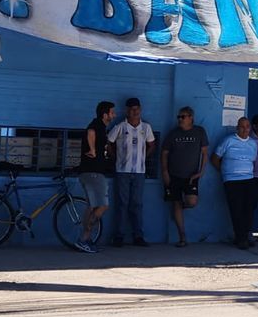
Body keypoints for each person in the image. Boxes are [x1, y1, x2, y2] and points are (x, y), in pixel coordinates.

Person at [107, 98, 155, 247]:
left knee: (137, 204)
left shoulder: (146, 127)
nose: (135, 111)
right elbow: (108, 142)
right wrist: (116, 157)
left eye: (137, 108)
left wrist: (143, 157)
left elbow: (152, 144)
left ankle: (138, 236)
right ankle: (119, 237)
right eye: (132, 109)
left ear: (140, 109)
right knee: (122, 204)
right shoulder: (120, 127)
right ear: (127, 111)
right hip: (122, 171)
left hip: (140, 172)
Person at [161, 106, 209, 248]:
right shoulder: (173, 134)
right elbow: (164, 153)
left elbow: (205, 153)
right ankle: (182, 237)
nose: (180, 119)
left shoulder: (199, 132)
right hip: (174, 174)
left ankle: (179, 209)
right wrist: (165, 172)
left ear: (191, 118)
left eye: (183, 116)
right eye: (179, 117)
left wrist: (201, 171)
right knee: (175, 203)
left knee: (192, 202)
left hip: (191, 176)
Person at [212, 117, 258, 249]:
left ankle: (246, 234)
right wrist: (224, 172)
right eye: (242, 127)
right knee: (236, 210)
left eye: (247, 127)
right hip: (232, 181)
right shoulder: (228, 141)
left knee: (249, 209)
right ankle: (240, 238)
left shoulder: (252, 143)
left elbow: (253, 161)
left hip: (248, 179)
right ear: (237, 128)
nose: (245, 129)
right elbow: (215, 158)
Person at [75, 101, 116, 253]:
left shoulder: (102, 127)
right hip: (92, 172)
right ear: (105, 115)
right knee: (101, 205)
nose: (114, 115)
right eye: (112, 112)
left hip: (94, 172)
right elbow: (90, 132)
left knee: (93, 206)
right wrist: (92, 149)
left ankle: (85, 238)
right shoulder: (96, 125)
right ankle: (83, 238)